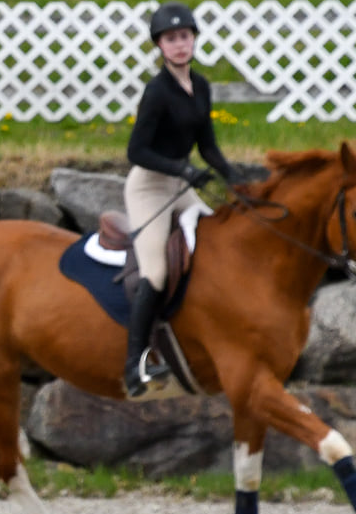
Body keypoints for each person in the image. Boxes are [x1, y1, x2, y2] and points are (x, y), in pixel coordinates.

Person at [121, 2, 236, 398]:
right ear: (160, 46)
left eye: (184, 36)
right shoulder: (157, 92)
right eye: (171, 39)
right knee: (154, 270)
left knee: (215, 244)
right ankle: (134, 363)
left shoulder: (201, 85)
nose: (180, 44)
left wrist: (236, 177)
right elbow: (136, 151)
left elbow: (208, 146)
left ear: (193, 40)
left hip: (179, 187)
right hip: (149, 187)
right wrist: (182, 170)